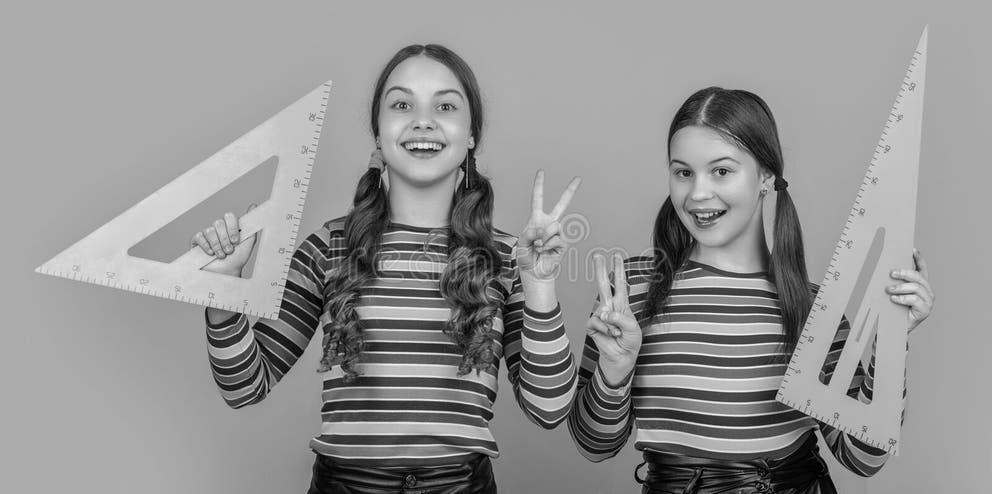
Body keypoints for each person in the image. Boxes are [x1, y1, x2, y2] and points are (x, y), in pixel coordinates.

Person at [191, 44, 580, 493]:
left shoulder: (509, 256)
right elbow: (245, 387)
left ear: (471, 134)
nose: (423, 121)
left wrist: (540, 283)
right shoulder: (328, 247)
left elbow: (549, 409)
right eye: (401, 104)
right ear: (378, 133)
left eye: (446, 106)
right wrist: (224, 293)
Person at [567, 87, 934, 493]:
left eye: (721, 171)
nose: (698, 193)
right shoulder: (631, 290)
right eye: (683, 172)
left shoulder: (811, 308)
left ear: (765, 176)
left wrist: (891, 341)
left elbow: (862, 458)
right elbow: (594, 445)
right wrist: (614, 371)